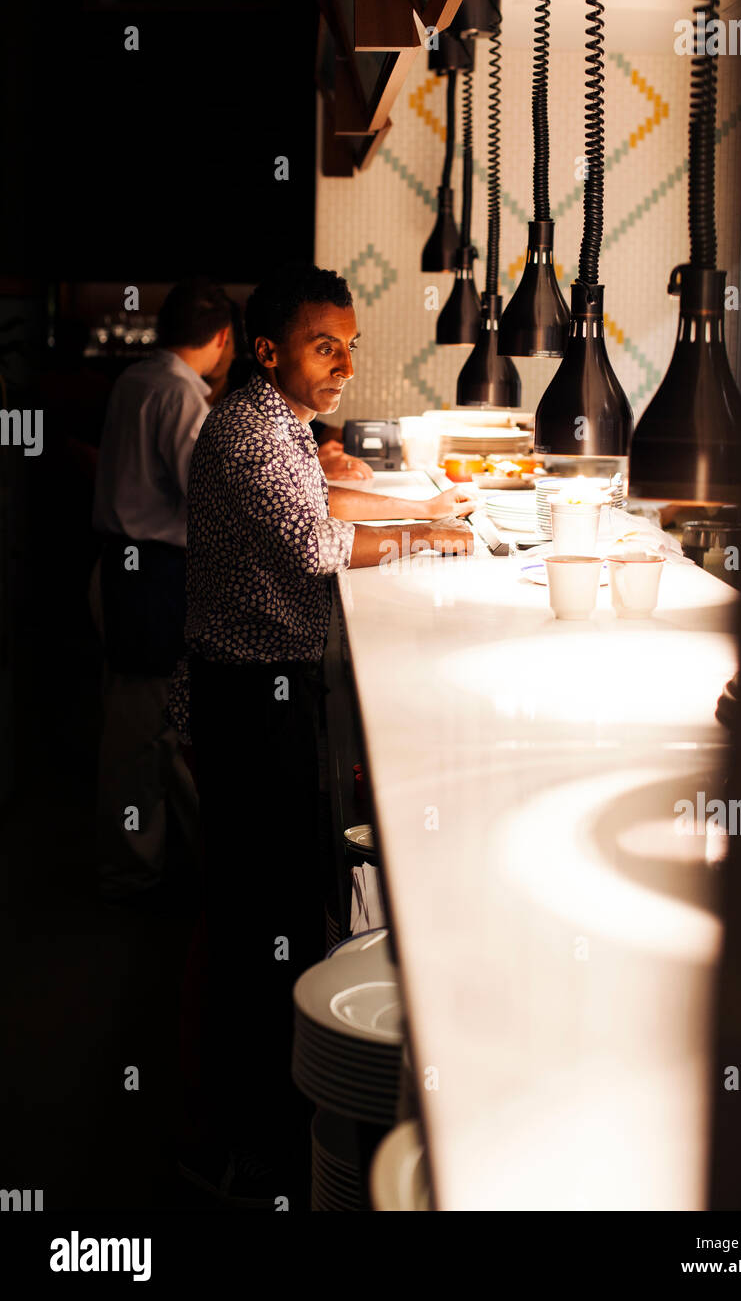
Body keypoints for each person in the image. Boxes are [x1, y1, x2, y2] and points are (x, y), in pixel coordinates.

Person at [175, 263, 474, 1206]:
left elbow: (327, 506)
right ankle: (246, 1138)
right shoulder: (253, 432)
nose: (344, 363)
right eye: (323, 346)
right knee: (262, 908)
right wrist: (435, 540)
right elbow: (317, 546)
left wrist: (419, 508)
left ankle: (258, 1107)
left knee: (277, 898)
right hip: (246, 695)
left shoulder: (276, 422)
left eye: (350, 345)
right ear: (269, 352)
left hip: (267, 687)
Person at [92, 277, 233, 903]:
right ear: (224, 339)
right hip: (150, 573)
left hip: (126, 567)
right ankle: (133, 872)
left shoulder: (138, 379)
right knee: (145, 726)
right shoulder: (178, 394)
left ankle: (166, 862)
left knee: (150, 722)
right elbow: (206, 495)